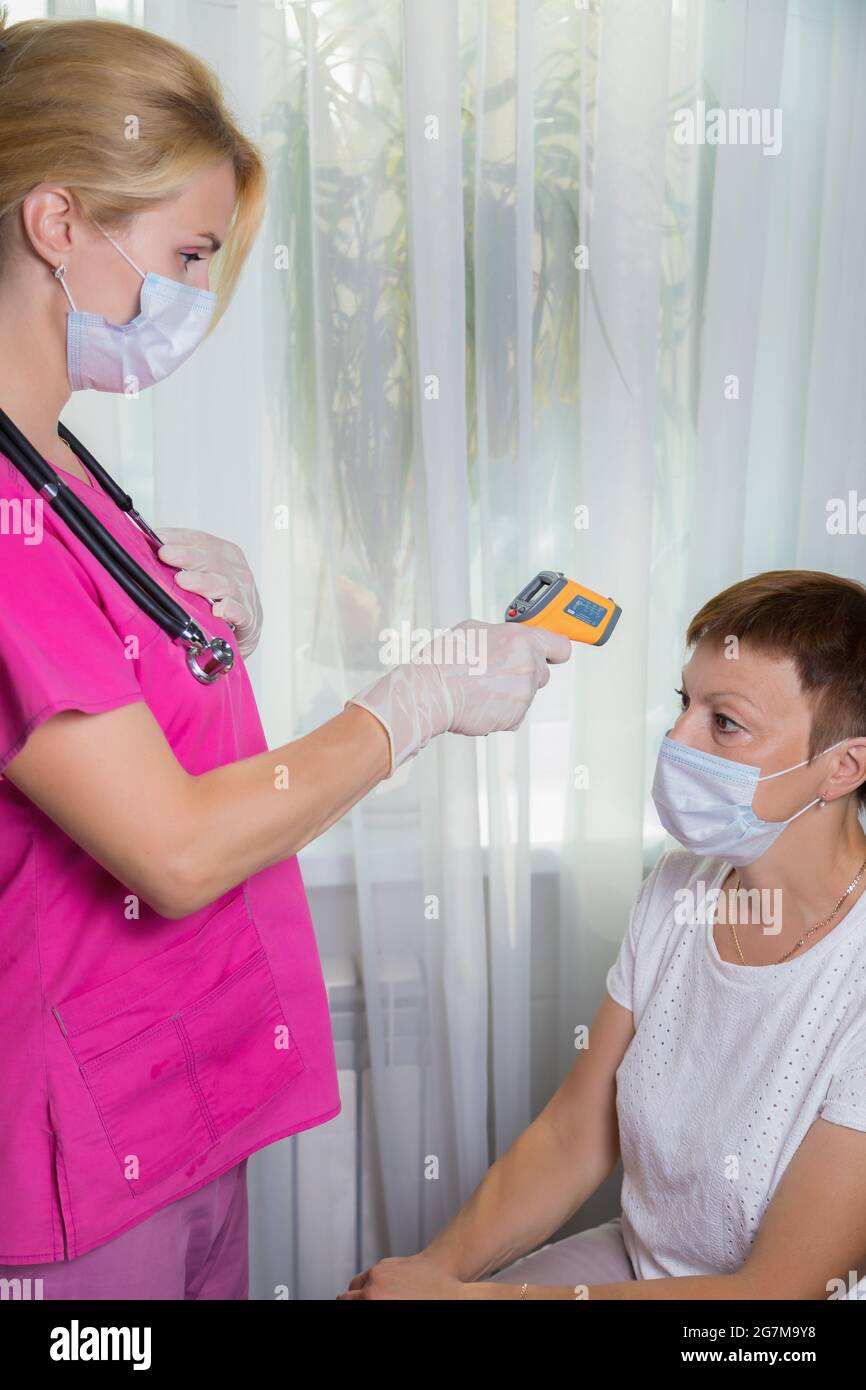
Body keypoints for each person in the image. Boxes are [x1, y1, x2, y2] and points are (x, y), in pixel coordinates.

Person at [0, 14, 571, 1299]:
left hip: (179, 1100)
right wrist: (410, 705)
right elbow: (179, 846)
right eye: (187, 254)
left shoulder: (64, 465)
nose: (196, 297)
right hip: (73, 1160)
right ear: (57, 223)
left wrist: (192, 621)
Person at [339, 570, 866, 1300]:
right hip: (638, 1267)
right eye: (685, 704)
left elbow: (779, 1293)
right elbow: (574, 1138)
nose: (676, 739)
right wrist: (435, 1270)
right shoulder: (679, 886)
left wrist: (468, 1302)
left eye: (725, 722)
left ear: (841, 768)